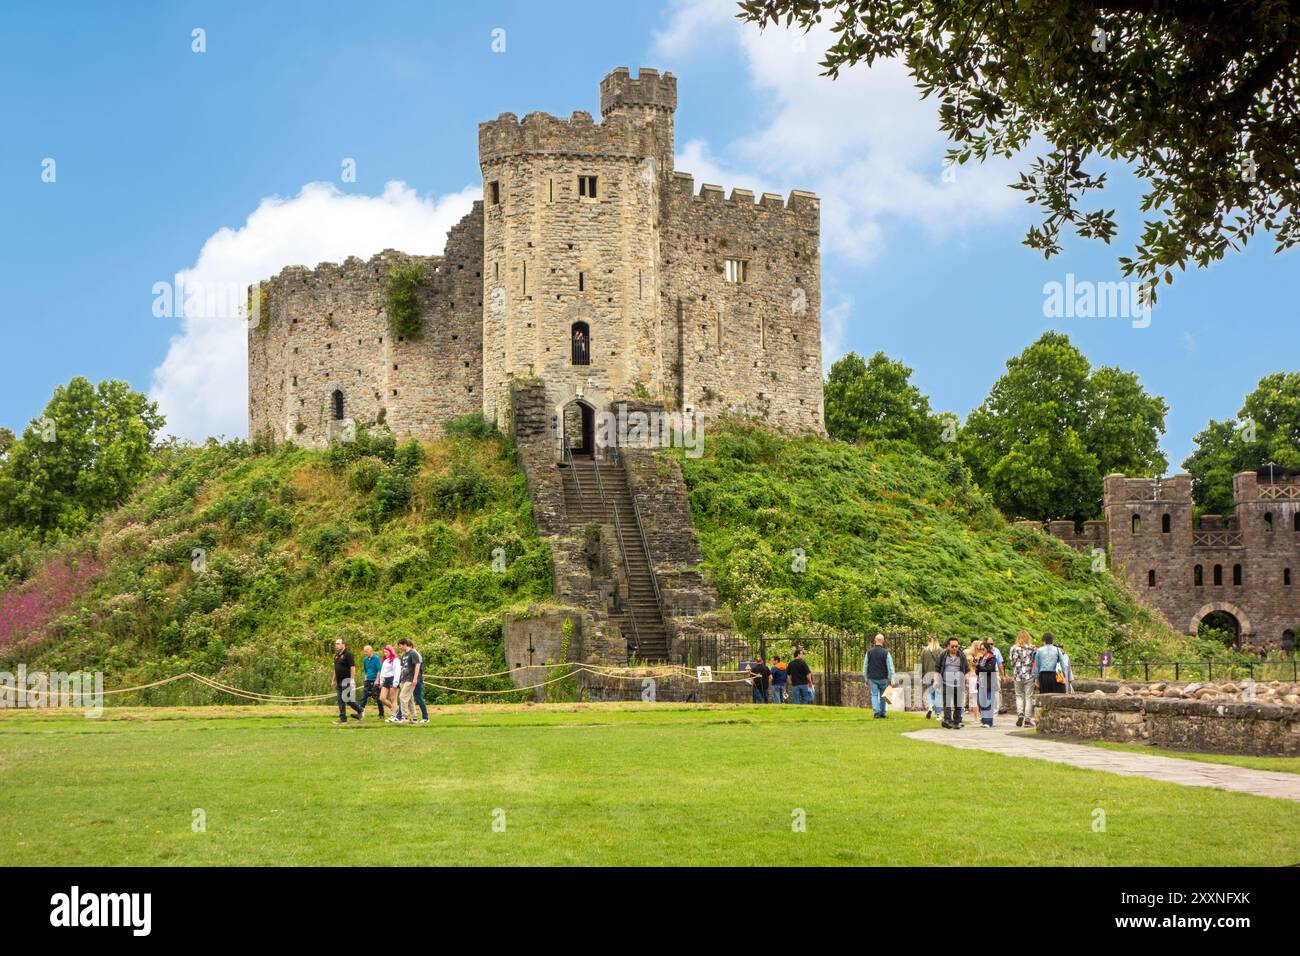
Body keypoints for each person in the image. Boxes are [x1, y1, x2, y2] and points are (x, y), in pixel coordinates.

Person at [1009, 630, 1038, 727]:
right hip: (1028, 675)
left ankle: (1020, 714)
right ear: (1028, 637)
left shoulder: (1013, 648)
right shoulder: (1032, 648)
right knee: (1028, 697)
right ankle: (1027, 719)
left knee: (1019, 696)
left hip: (1017, 675)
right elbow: (1035, 661)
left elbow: (1011, 662)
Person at [396, 638, 428, 724]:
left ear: (405, 644)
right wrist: (400, 680)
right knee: (409, 699)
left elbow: (417, 665)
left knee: (402, 697)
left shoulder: (413, 653)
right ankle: (414, 718)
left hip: (410, 679)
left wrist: (415, 678)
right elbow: (402, 668)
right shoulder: (403, 655)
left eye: (400, 646)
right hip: (404, 679)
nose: (399, 647)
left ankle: (404, 717)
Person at [863, 633, 895, 719]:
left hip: (872, 678)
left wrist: (866, 679)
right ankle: (882, 713)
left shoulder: (869, 652)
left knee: (874, 695)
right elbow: (890, 667)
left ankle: (876, 712)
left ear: (875, 640)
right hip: (883, 678)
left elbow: (865, 666)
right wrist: (891, 680)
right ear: (883, 641)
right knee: (883, 696)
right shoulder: (886, 653)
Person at [938, 637, 968, 729]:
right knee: (947, 703)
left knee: (958, 703)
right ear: (947, 647)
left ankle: (957, 721)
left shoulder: (962, 656)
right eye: (952, 646)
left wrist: (966, 682)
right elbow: (937, 668)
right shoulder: (943, 655)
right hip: (946, 683)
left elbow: (966, 669)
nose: (955, 648)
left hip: (958, 683)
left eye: (956, 646)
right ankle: (947, 720)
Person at [332, 638, 363, 724]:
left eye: (338, 644)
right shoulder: (336, 656)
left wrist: (352, 680)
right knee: (340, 700)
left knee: (347, 699)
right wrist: (333, 680)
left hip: (347, 680)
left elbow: (352, 667)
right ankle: (343, 719)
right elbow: (335, 669)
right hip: (339, 681)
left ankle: (360, 710)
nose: (336, 646)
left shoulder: (348, 655)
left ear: (343, 644)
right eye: (336, 644)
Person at [358, 644, 385, 719]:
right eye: (364, 651)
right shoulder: (365, 660)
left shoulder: (376, 658)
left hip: (375, 680)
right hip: (368, 680)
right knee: (364, 697)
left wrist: (377, 680)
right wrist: (365, 678)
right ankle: (360, 713)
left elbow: (379, 670)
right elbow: (366, 670)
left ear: (371, 650)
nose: (365, 652)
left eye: (367, 651)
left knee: (377, 697)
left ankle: (381, 714)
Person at [919, 635, 943, 719]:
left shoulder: (924, 651)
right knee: (938, 694)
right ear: (937, 641)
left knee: (930, 694)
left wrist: (920, 676)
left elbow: (920, 665)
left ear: (929, 641)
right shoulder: (941, 651)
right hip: (938, 675)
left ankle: (930, 707)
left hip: (927, 675)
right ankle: (938, 714)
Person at [976, 640, 999, 727]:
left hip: (989, 682)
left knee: (988, 702)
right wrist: (977, 667)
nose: (981, 651)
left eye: (983, 649)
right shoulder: (981, 659)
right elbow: (978, 671)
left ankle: (988, 721)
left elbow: (989, 670)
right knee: (981, 701)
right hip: (981, 682)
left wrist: (979, 666)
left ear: (987, 649)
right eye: (980, 649)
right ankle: (984, 720)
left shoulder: (992, 658)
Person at [379, 644, 401, 719]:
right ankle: (396, 709)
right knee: (382, 698)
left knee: (393, 698)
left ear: (391, 651)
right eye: (384, 652)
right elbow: (382, 671)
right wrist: (381, 681)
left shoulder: (395, 660)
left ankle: (393, 716)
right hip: (386, 680)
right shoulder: (385, 661)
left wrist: (395, 683)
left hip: (393, 679)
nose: (385, 654)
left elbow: (397, 671)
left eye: (387, 652)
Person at [964, 638, 983, 715]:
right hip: (973, 675)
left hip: (976, 675)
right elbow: (973, 664)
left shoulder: (980, 654)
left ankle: (977, 710)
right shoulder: (970, 655)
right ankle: (969, 708)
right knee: (973, 694)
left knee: (975, 693)